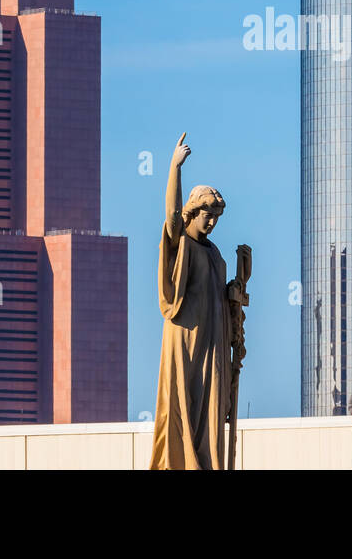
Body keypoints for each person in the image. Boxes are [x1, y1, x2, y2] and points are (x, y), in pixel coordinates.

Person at [149, 132, 243, 469]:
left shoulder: (215, 254)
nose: (213, 221)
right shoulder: (181, 243)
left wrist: (233, 295)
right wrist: (174, 168)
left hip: (212, 344)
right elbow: (172, 216)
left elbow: (218, 296)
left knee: (211, 408)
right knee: (184, 406)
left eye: (217, 215)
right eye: (208, 214)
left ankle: (205, 461)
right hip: (186, 340)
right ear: (195, 210)